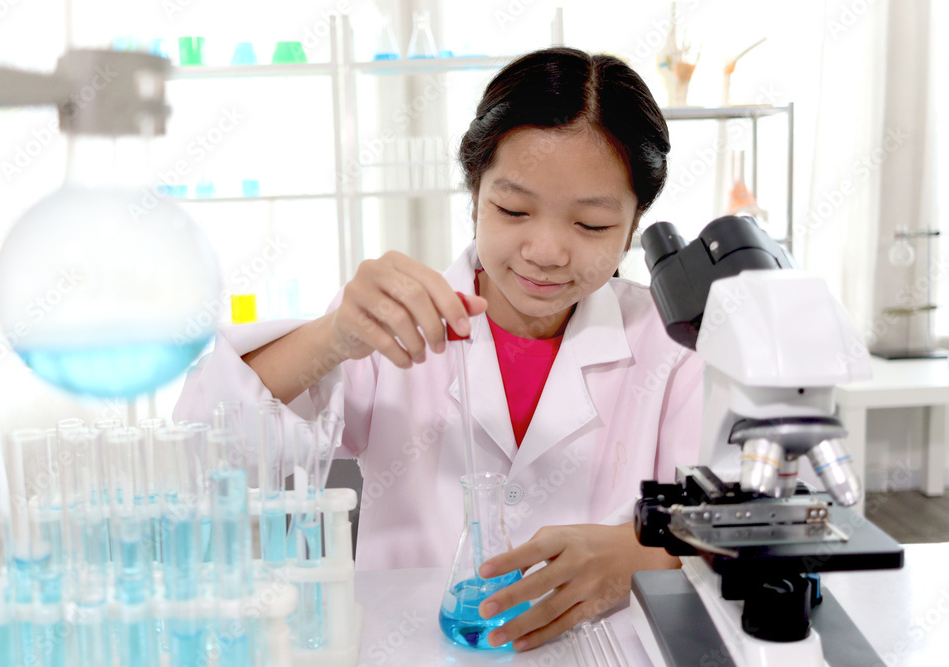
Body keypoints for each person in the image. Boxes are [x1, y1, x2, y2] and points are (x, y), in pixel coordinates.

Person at [174, 46, 702, 652]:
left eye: (591, 225)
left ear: (636, 224)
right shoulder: (391, 322)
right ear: (474, 194)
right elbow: (205, 456)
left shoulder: (674, 345)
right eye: (513, 209)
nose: (547, 251)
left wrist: (647, 553)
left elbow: (744, 526)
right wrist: (333, 337)